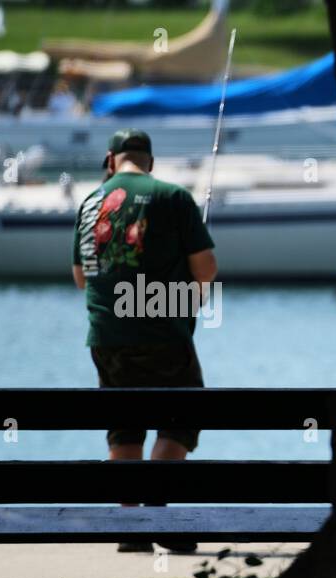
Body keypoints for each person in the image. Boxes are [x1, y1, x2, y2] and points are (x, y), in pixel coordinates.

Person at [71, 128, 218, 553]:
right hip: (163, 333)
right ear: (150, 162)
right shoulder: (173, 197)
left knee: (124, 424)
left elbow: (82, 278)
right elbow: (206, 269)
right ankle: (155, 504)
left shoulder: (90, 204)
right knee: (184, 414)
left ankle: (132, 526)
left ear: (110, 160)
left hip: (106, 337)